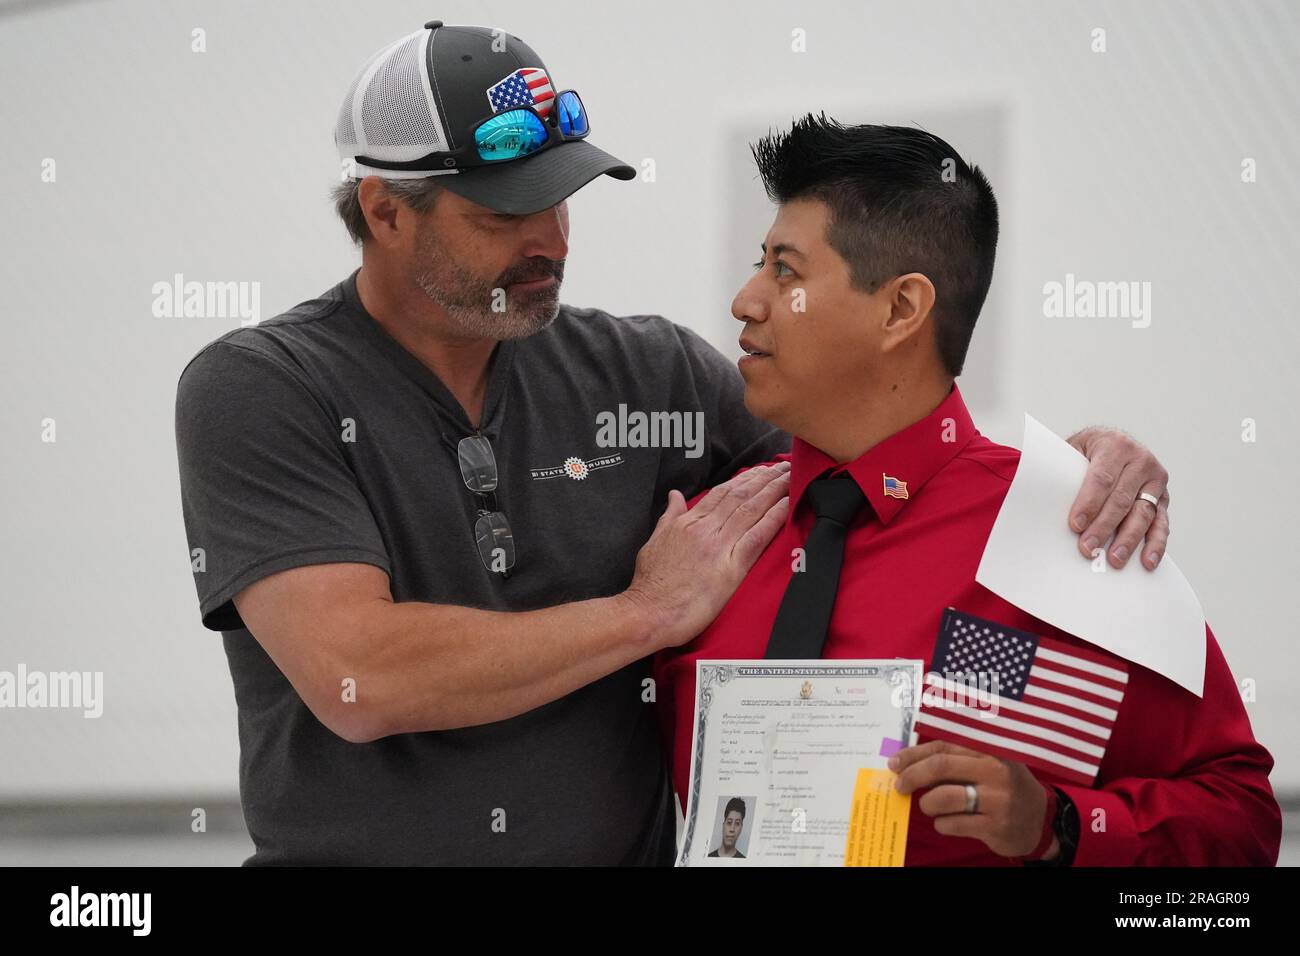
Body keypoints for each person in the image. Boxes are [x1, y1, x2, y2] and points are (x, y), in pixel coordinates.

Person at [175, 22, 1178, 865]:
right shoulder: (263, 390)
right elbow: (363, 676)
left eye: (562, 196)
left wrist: (1052, 462)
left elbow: (866, 470)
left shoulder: (647, 375)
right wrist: (643, 613)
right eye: (505, 212)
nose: (554, 238)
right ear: (385, 210)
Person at [653, 116, 1281, 866]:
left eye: (785, 271)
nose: (746, 301)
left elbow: (1241, 821)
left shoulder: (1069, 533)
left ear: (900, 310)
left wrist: (1060, 827)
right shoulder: (702, 539)